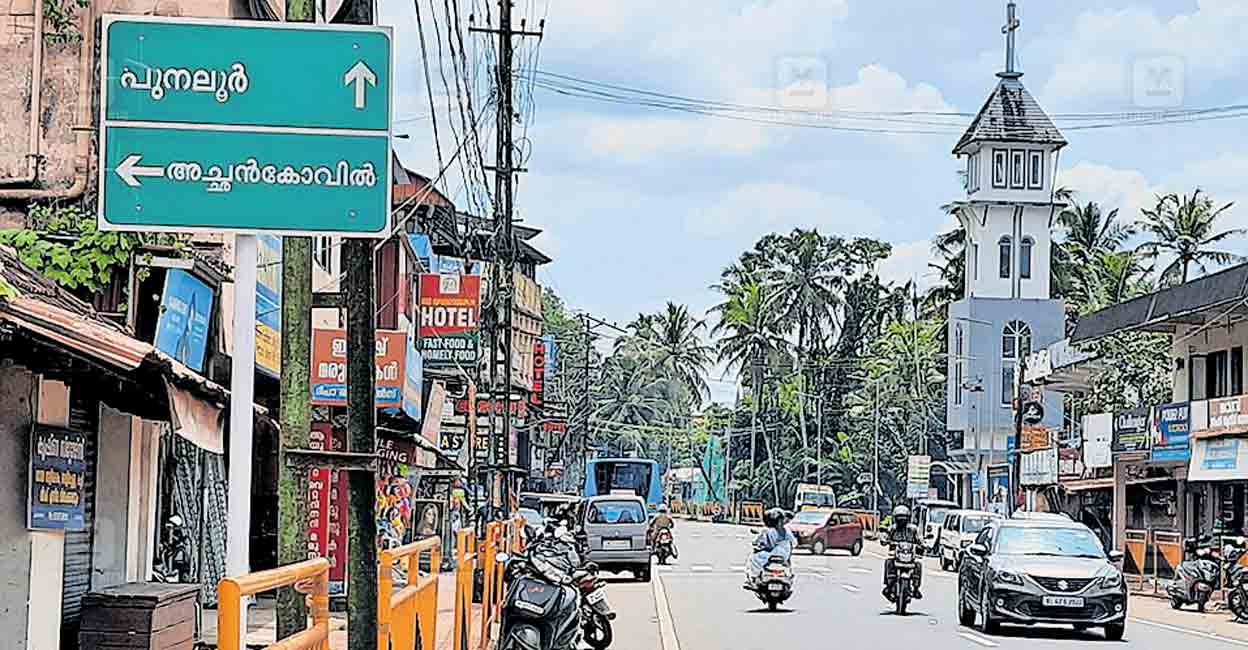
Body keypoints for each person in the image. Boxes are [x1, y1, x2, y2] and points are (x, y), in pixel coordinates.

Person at [745, 508, 795, 588]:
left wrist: (759, 547)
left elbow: (768, 545)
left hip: (771, 554)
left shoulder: (768, 531)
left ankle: (753, 578)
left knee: (753, 559)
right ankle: (789, 575)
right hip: (784, 554)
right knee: (788, 562)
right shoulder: (786, 530)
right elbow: (794, 542)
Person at [883, 505, 922, 600]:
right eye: (899, 518)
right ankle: (888, 585)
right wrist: (884, 540)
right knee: (888, 562)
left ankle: (916, 588)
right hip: (896, 554)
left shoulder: (913, 529)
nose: (902, 521)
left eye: (904, 518)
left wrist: (923, 544)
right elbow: (885, 537)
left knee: (918, 565)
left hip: (909, 555)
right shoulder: (892, 529)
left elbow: (919, 539)